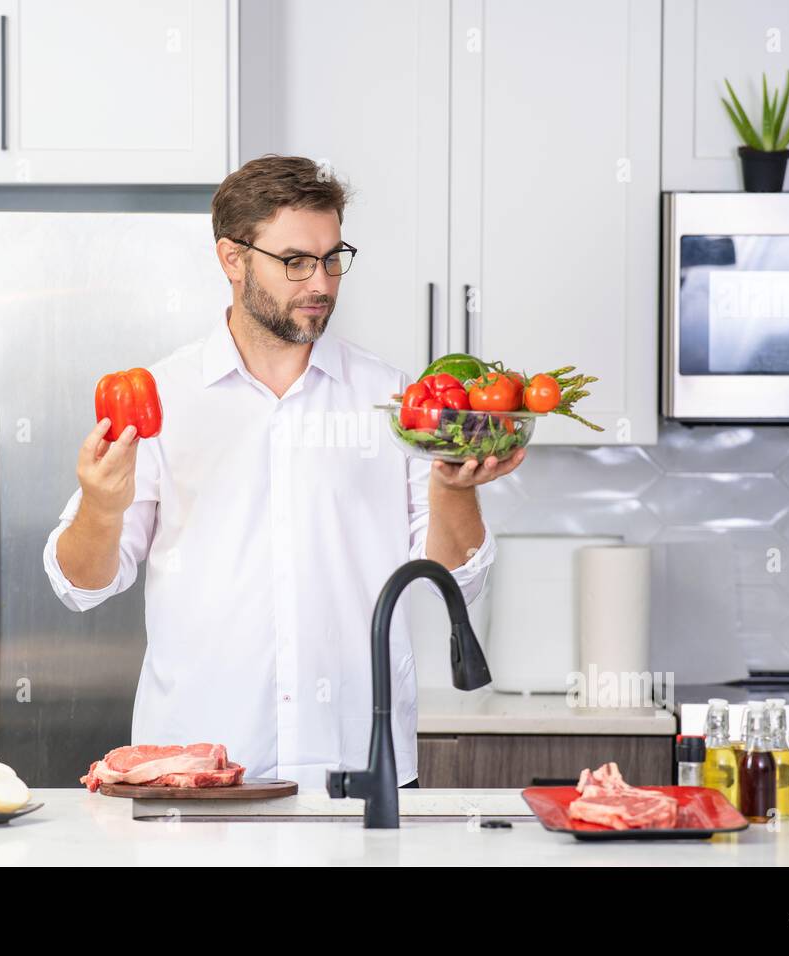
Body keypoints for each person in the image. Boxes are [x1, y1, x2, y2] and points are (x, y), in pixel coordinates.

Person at [43, 155, 524, 788]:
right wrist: (101, 507)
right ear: (232, 259)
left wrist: (452, 489)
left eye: (331, 259)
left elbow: (458, 580)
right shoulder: (162, 396)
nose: (320, 283)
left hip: (355, 767)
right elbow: (80, 584)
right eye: (295, 262)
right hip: (196, 777)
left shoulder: (396, 401)